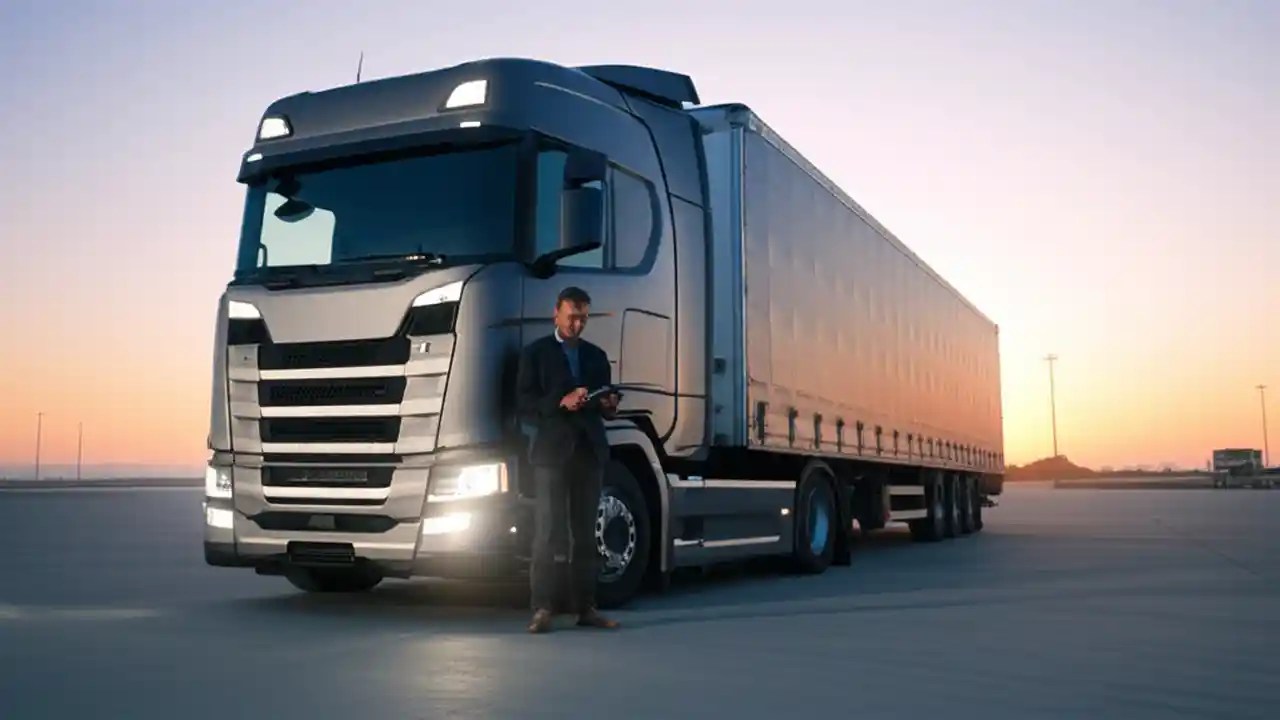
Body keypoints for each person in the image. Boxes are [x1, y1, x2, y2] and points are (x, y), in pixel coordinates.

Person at [516, 286, 621, 634]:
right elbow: (524, 403)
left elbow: (603, 403)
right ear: (556, 315)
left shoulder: (596, 355)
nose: (578, 324)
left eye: (583, 318)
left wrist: (607, 405)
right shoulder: (536, 354)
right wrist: (560, 403)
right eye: (572, 317)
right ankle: (542, 608)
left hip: (589, 452)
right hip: (551, 453)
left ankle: (585, 608)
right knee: (547, 532)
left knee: (585, 535)